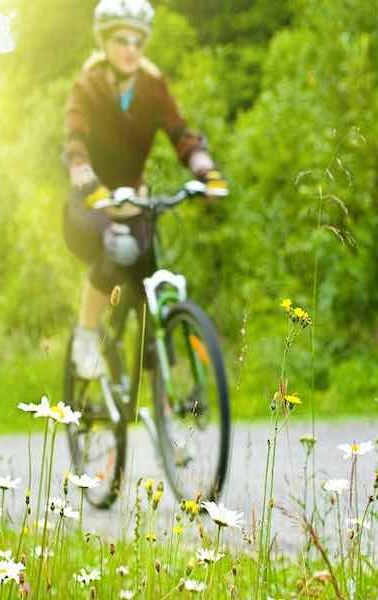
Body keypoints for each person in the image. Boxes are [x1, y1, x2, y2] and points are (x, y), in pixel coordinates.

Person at [62, 0, 228, 379]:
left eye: (138, 40)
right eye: (122, 39)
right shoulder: (87, 86)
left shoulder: (153, 87)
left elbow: (181, 133)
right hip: (91, 197)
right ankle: (86, 336)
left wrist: (205, 170)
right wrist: (83, 172)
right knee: (116, 247)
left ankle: (160, 391)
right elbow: (75, 138)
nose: (131, 48)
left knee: (149, 281)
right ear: (104, 42)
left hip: (133, 197)